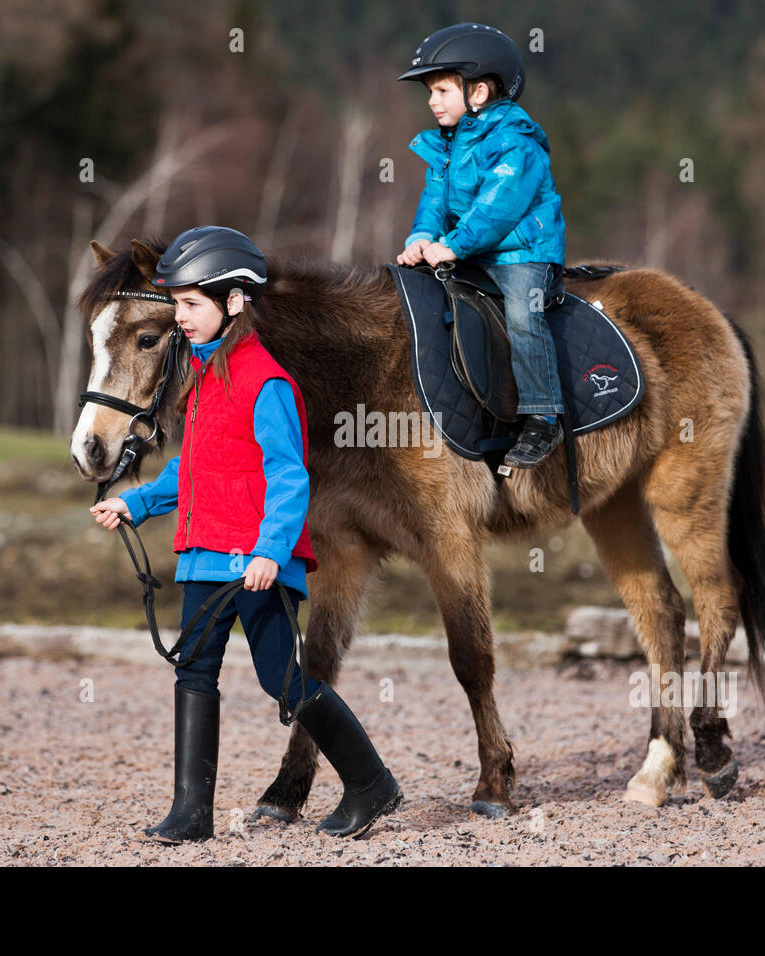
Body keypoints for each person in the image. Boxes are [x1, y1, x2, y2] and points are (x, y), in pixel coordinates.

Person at [90, 226, 402, 842]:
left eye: (190, 305)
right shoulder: (202, 380)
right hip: (203, 553)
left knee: (283, 680)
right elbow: (194, 467)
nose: (179, 319)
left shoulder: (268, 383)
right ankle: (191, 812)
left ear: (233, 303)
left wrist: (270, 550)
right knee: (194, 671)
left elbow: (290, 478)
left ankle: (372, 783)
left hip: (255, 563)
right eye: (176, 305)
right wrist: (139, 502)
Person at [396, 22, 568, 469]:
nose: (432, 101)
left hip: (520, 255)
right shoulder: (446, 148)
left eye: (442, 90)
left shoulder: (517, 142)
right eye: (429, 92)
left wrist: (452, 245)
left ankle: (543, 416)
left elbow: (499, 208)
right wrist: (420, 237)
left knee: (521, 316)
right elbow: (433, 201)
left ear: (479, 92)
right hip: (470, 251)